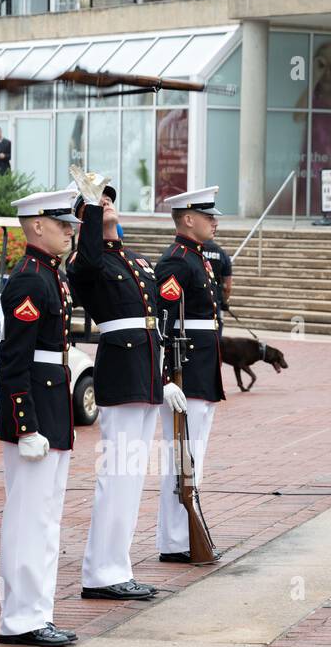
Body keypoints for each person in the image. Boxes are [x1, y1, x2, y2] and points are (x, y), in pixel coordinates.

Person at [67, 165, 187, 601]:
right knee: (115, 474)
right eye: (99, 201)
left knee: (134, 475)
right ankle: (100, 571)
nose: (108, 203)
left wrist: (162, 377)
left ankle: (117, 566)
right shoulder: (85, 262)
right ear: (84, 217)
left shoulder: (136, 261)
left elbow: (153, 322)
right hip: (119, 372)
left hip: (146, 374)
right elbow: (88, 262)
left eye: (111, 199)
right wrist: (91, 217)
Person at [0, 187, 81, 647]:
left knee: (46, 519)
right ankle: (21, 618)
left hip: (52, 411)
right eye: (61, 223)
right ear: (36, 226)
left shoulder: (50, 274)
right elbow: (14, 361)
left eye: (70, 223)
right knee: (29, 519)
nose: (69, 230)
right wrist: (25, 425)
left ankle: (36, 612)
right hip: (36, 416)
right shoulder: (31, 278)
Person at [155, 186, 225, 564]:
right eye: (208, 215)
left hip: (200, 373)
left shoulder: (198, 258)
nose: (215, 220)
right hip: (185, 377)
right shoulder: (176, 262)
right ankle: (175, 540)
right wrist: (165, 378)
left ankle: (181, 536)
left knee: (192, 459)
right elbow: (163, 324)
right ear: (187, 219)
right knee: (181, 460)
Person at [200, 237, 233, 311]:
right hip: (214, 296)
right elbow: (227, 287)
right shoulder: (221, 253)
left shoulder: (194, 250)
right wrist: (225, 302)